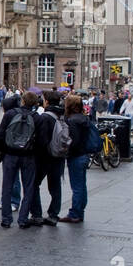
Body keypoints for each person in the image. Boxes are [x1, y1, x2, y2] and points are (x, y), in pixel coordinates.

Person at [0, 90, 39, 228]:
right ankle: (23, 219)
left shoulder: (10, 114)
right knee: (28, 187)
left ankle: (6, 219)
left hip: (10, 154)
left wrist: (2, 151)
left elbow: (0, 134)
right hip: (28, 155)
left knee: (7, 186)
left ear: (22, 101)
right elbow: (41, 140)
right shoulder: (36, 117)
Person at [28, 89, 67, 226]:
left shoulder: (45, 118)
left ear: (47, 101)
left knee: (34, 184)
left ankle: (37, 214)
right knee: (55, 186)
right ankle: (53, 215)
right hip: (59, 156)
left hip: (44, 157)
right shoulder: (62, 116)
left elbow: (42, 140)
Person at [60, 94, 90, 223]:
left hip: (76, 156)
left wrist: (67, 150)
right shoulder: (84, 118)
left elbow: (74, 140)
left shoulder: (72, 120)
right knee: (82, 185)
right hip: (84, 154)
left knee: (77, 186)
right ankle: (80, 211)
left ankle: (75, 213)